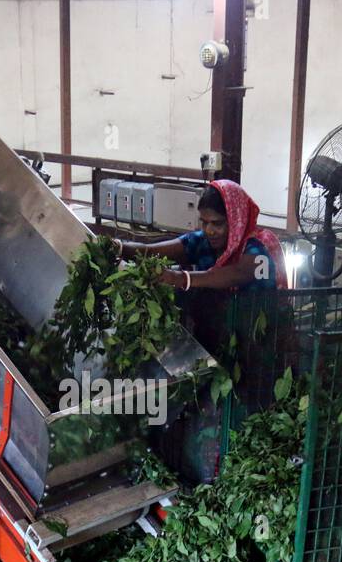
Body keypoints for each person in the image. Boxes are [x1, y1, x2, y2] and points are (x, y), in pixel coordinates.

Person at [112, 180, 289, 484]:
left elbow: (231, 274)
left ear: (234, 218)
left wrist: (181, 279)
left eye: (217, 223)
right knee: (205, 413)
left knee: (245, 417)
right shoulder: (203, 242)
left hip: (258, 353)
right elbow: (154, 252)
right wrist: (121, 248)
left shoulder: (260, 246)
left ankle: (239, 476)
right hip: (215, 348)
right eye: (204, 223)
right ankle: (201, 475)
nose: (210, 231)